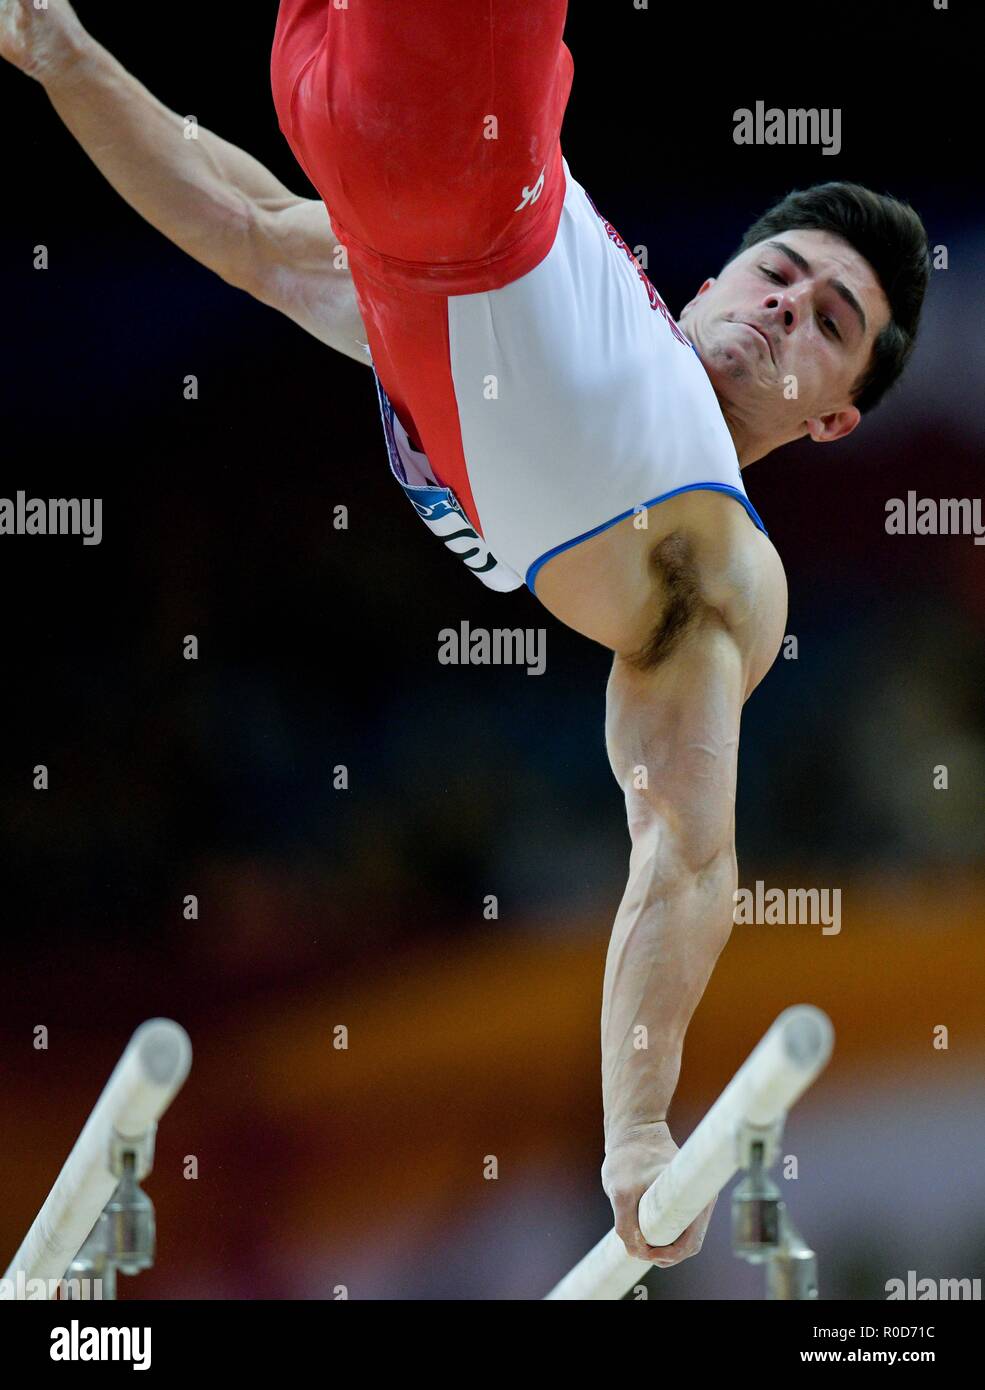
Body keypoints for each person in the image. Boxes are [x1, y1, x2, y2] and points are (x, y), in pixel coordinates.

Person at [1, 0, 929, 1274]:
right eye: (781, 275)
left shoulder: (714, 562)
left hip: (338, 118)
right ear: (714, 277)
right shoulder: (611, 325)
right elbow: (264, 233)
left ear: (834, 420)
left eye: (831, 325)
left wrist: (58, 47)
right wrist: (640, 1130)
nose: (787, 311)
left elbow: (680, 841)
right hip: (460, 148)